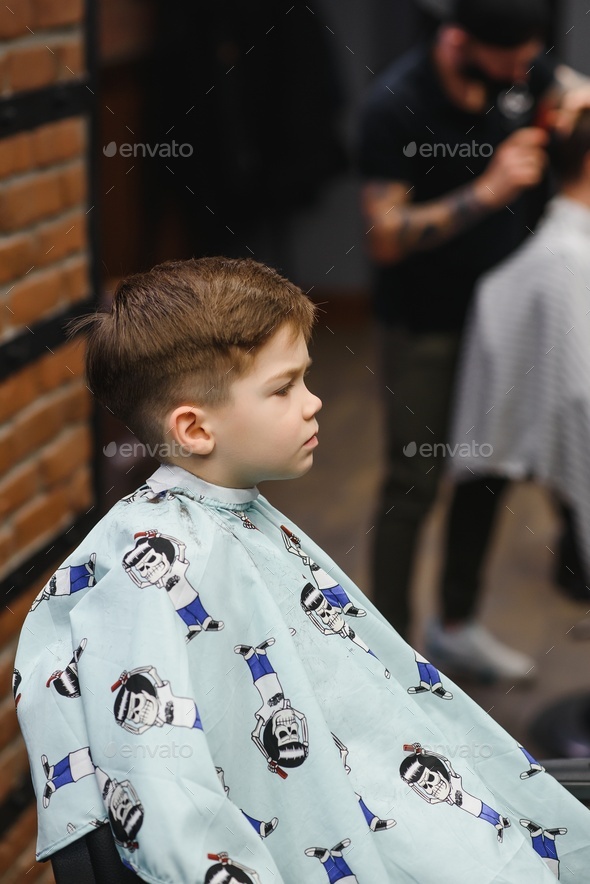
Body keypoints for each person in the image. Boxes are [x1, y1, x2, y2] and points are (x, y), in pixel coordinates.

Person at [14, 257, 590, 882]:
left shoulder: (236, 513)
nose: (315, 403)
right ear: (194, 427)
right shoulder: (155, 560)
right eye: (284, 387)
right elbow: (161, 776)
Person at [359, 0, 590, 679]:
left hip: (513, 315)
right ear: (459, 39)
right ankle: (387, 656)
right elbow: (386, 236)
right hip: (429, 322)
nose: (527, 70)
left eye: (531, 58)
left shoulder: (520, 68)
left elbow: (571, 89)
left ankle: (455, 624)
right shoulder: (395, 106)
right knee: (415, 480)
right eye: (514, 59)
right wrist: (489, 191)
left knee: (490, 469)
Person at [432, 109, 590, 677]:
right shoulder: (567, 255)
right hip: (557, 424)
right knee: (484, 482)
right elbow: (579, 402)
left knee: (485, 480)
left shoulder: (564, 240)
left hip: (526, 415)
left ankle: (452, 625)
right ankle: (451, 627)